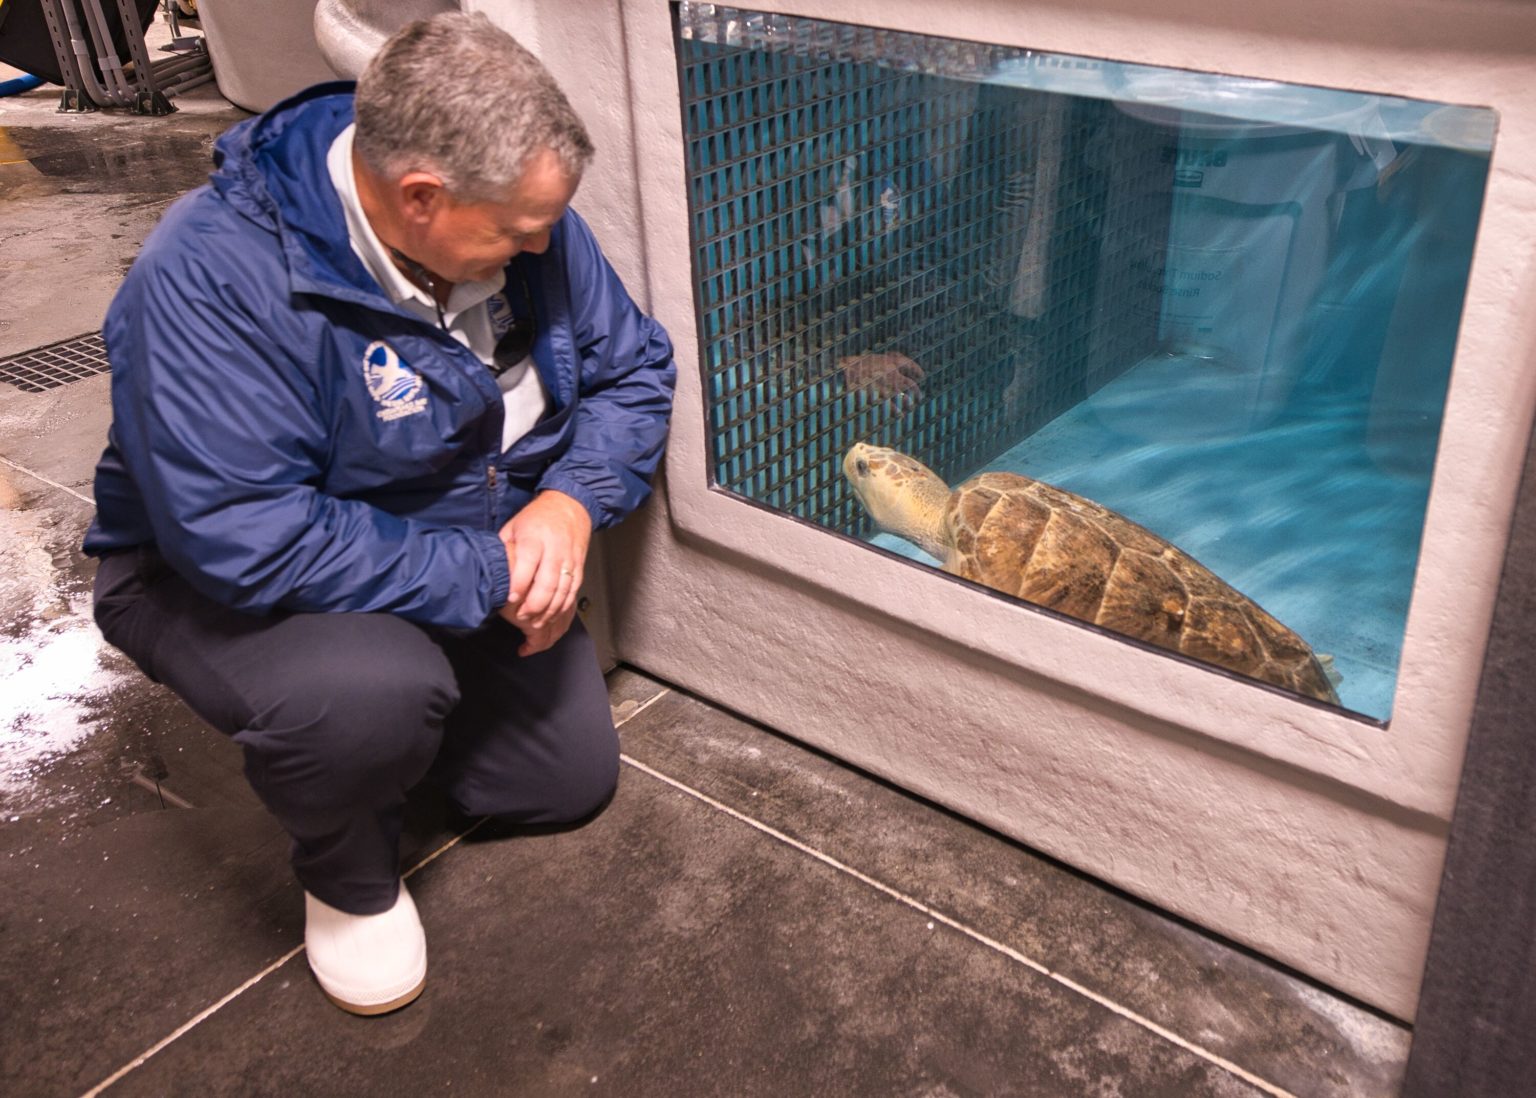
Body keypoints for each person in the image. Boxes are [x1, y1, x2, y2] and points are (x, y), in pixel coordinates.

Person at [83, 12, 676, 1016]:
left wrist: (572, 507)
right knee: (363, 697)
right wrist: (493, 577)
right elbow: (244, 533)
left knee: (562, 783)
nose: (544, 244)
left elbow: (633, 376)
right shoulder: (208, 278)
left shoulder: (517, 214)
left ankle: (393, 724)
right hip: (216, 572)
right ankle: (347, 872)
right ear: (419, 198)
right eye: (521, 231)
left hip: (450, 537)